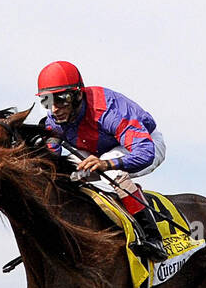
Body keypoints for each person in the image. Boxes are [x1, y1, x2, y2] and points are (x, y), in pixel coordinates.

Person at [35, 60, 169, 261]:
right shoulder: (56, 116)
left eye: (61, 99)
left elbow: (144, 152)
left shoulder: (108, 111)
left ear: (77, 95)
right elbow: (51, 143)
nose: (54, 109)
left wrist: (106, 165)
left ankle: (152, 237)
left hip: (145, 143)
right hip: (97, 149)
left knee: (111, 172)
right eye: (47, 100)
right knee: (68, 173)